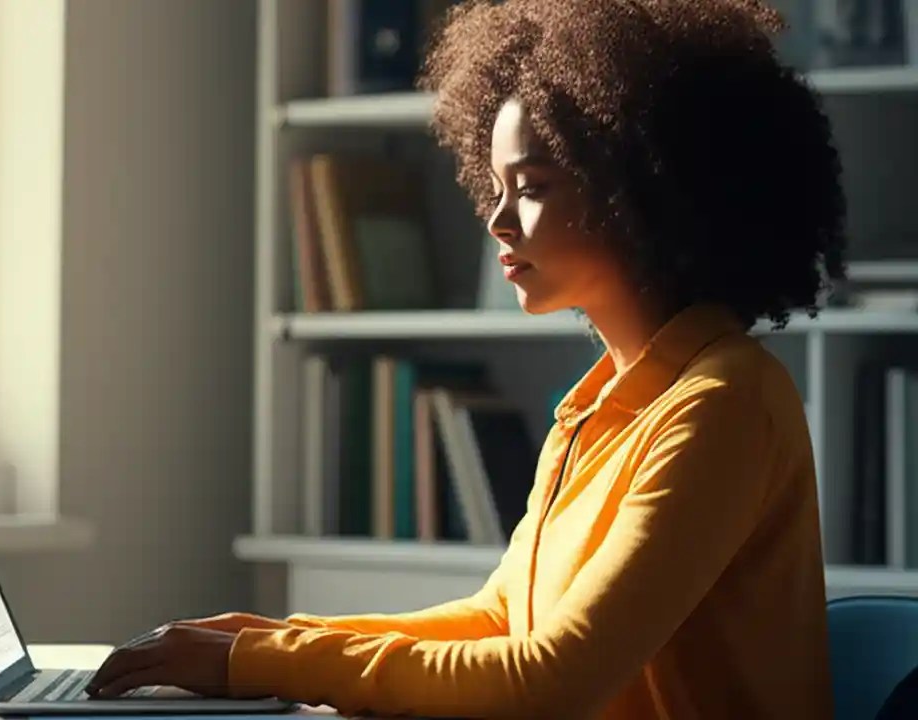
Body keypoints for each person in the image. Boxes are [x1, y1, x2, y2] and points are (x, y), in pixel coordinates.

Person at [87, 0, 847, 716]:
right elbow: (501, 618)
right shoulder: (597, 407)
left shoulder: (723, 403)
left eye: (533, 187)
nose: (497, 218)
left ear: (645, 189)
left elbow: (548, 680)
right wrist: (267, 639)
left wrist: (258, 661)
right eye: (496, 186)